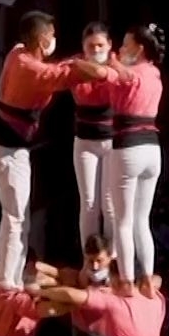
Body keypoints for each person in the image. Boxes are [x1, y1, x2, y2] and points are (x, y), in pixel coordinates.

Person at [0, 11, 109, 288]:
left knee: (11, 213)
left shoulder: (17, 53)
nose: (54, 39)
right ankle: (8, 280)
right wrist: (87, 63)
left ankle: (0, 267)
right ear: (42, 40)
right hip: (10, 150)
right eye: (51, 35)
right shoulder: (36, 72)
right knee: (18, 218)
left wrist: (72, 62)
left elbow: (59, 67)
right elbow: (94, 73)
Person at [104, 24, 165, 280]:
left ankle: (127, 280)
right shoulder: (155, 74)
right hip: (152, 149)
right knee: (142, 220)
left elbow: (124, 77)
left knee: (123, 221)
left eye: (125, 45)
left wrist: (111, 62)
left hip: (129, 147)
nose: (120, 49)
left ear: (139, 49)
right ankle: (148, 277)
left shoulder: (130, 74)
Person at [71, 23, 116, 249]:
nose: (96, 50)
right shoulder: (74, 66)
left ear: (109, 45)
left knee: (109, 204)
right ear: (83, 47)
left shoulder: (117, 66)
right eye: (91, 46)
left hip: (112, 142)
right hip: (85, 142)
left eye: (100, 45)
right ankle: (89, 258)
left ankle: (113, 257)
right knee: (89, 203)